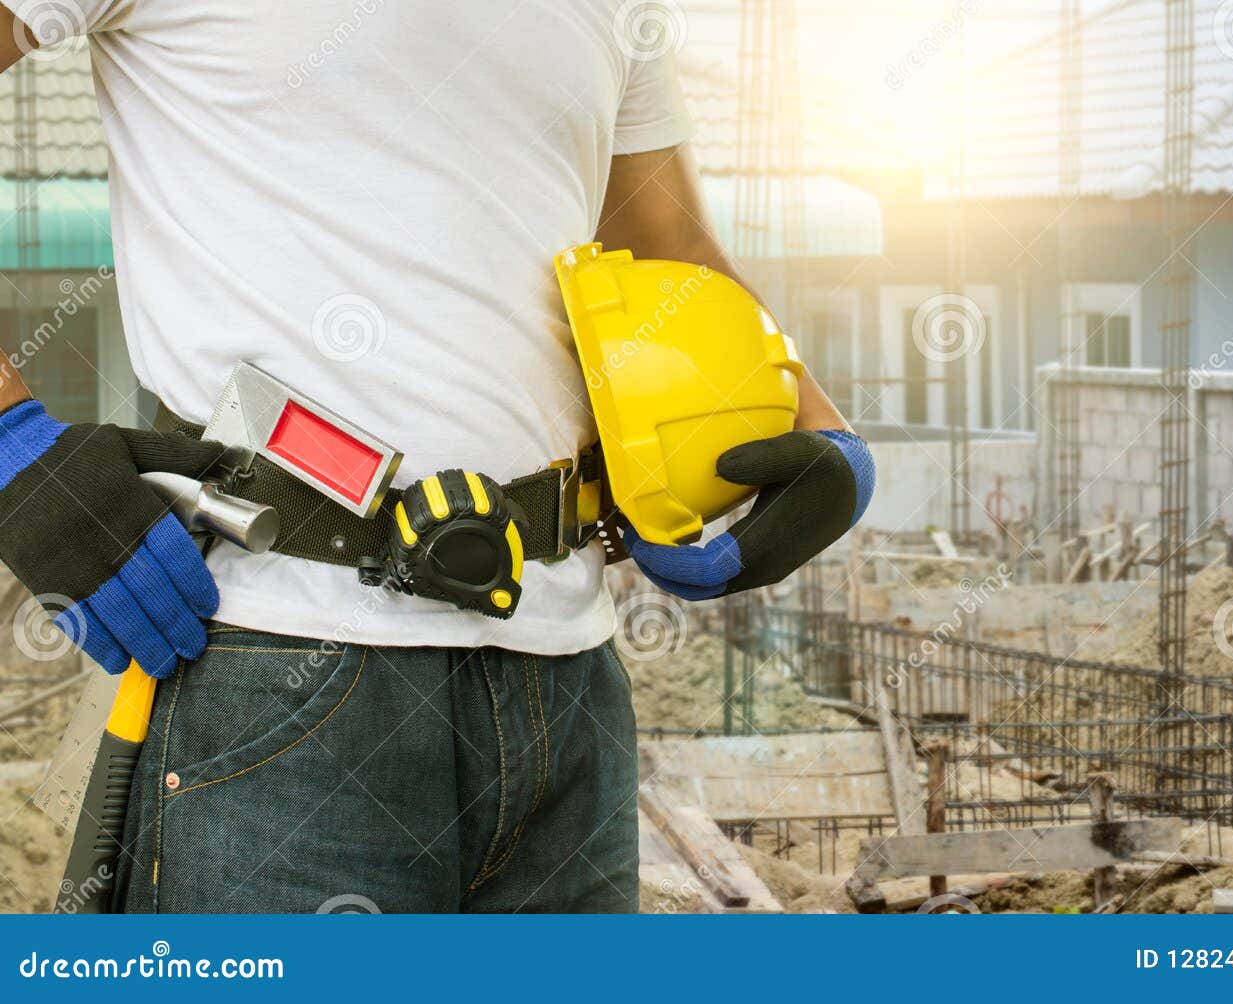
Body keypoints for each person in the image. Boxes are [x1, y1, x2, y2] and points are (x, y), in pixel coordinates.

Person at [0, 2, 872, 913]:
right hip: (282, 657)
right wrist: (10, 445)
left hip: (568, 671)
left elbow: (670, 245)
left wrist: (826, 434)